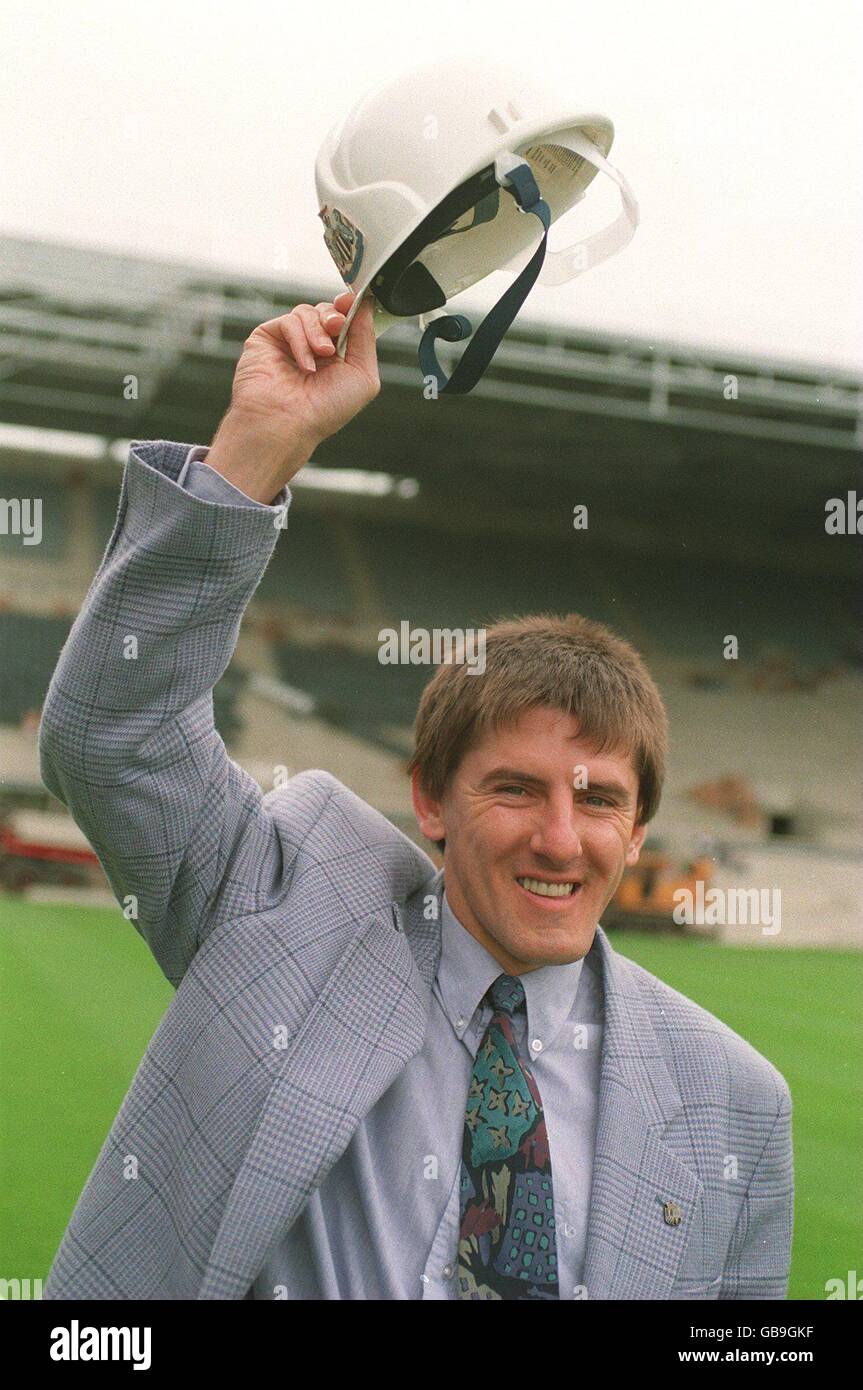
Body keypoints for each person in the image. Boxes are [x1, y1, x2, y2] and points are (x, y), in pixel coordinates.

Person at [39, 289, 793, 1300]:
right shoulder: (289, 902)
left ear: (639, 824)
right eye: (515, 789)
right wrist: (259, 445)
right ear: (430, 802)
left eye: (599, 800)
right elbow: (111, 737)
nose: (560, 840)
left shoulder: (733, 1103)